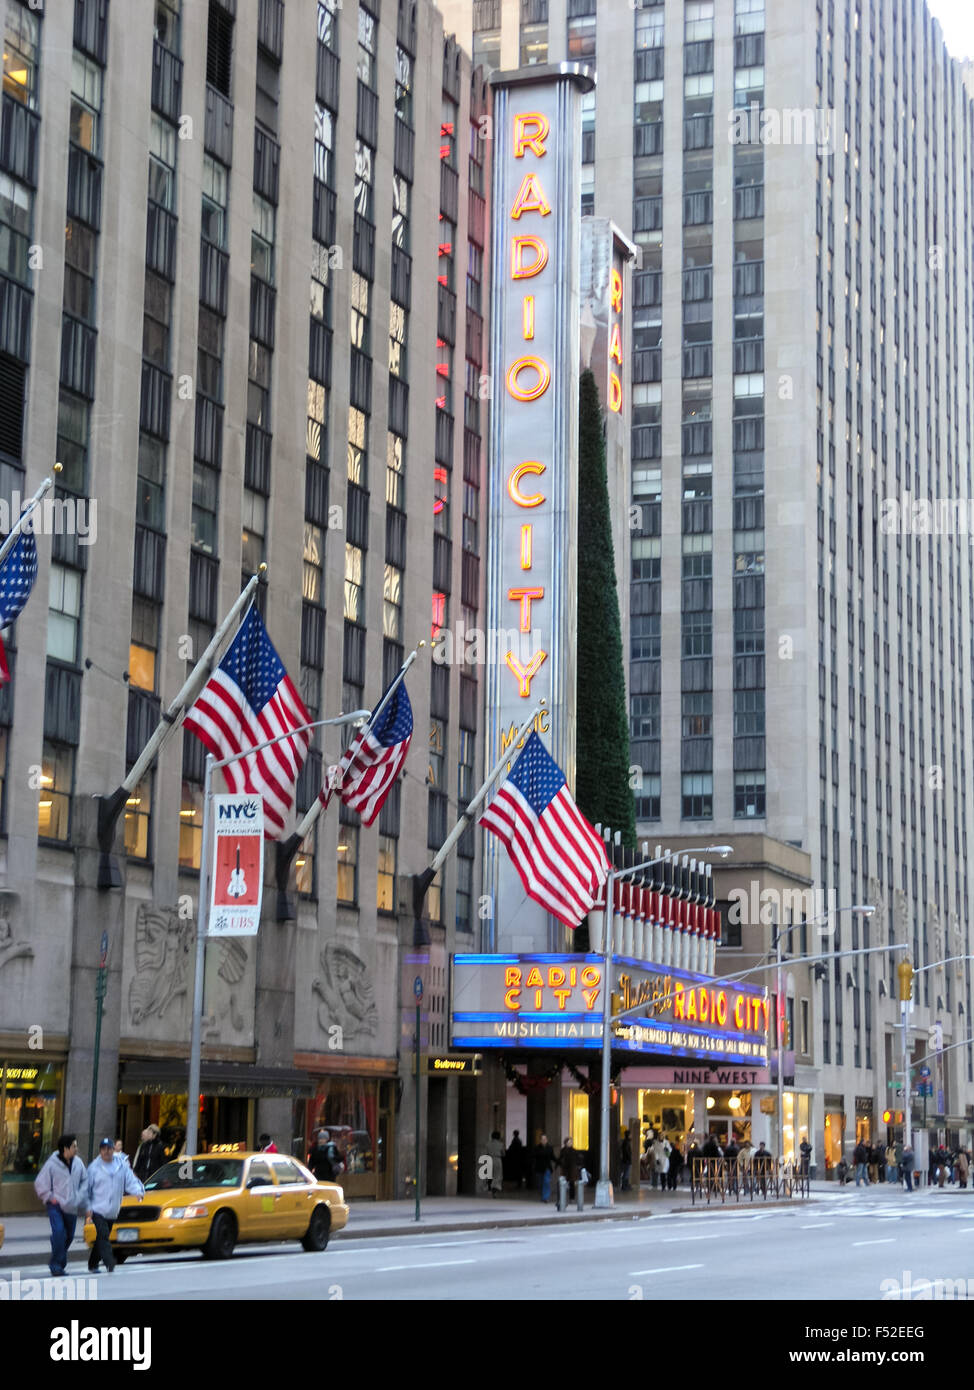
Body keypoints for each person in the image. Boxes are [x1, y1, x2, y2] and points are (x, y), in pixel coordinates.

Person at [85, 1137, 145, 1274]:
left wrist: (137, 1192)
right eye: (104, 1149)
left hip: (113, 1210)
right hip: (97, 1208)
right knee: (103, 1234)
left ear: (113, 1150)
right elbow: (85, 1189)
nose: (107, 1152)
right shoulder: (94, 1168)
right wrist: (87, 1208)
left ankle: (92, 1263)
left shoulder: (121, 1165)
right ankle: (109, 1262)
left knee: (102, 1237)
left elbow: (130, 1180)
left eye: (109, 1149)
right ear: (100, 1151)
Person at [34, 1134, 87, 1277]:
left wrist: (80, 1196)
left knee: (68, 1236)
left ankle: (57, 1254)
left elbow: (85, 1181)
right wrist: (50, 1197)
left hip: (71, 1205)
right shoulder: (51, 1164)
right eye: (74, 1146)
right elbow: (40, 1183)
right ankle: (56, 1266)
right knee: (59, 1232)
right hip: (55, 1205)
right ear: (66, 1148)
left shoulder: (78, 1163)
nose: (76, 1149)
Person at [534, 1133, 555, 1202]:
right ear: (540, 1140)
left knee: (546, 1182)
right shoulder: (537, 1148)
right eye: (542, 1139)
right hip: (539, 1168)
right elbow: (534, 1157)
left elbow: (552, 1157)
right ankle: (542, 1195)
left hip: (547, 1167)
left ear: (547, 1140)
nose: (544, 1140)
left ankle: (545, 1197)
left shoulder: (550, 1148)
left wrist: (558, 1162)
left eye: (545, 1139)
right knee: (540, 1183)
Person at [486, 1130, 505, 1196]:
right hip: (497, 1159)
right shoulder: (501, 1144)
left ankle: (489, 1187)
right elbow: (503, 1154)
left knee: (489, 1175)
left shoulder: (488, 1144)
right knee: (497, 1175)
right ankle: (495, 1189)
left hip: (489, 1159)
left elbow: (486, 1153)